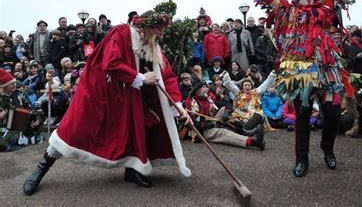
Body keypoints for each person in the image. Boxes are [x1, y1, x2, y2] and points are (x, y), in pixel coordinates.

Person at [239, 0, 362, 177]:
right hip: (299, 69)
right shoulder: (286, 11)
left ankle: (328, 149)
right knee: (302, 114)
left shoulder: (324, 7)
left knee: (333, 112)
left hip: (327, 66)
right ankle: (302, 158)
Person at [23, 10, 192, 195]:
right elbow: (110, 63)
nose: (161, 33)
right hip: (102, 91)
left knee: (143, 125)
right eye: (158, 28)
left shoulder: (153, 46)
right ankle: (42, 167)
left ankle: (133, 169)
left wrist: (178, 106)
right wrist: (141, 78)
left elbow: (167, 76)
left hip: (131, 97)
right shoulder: (121, 32)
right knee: (75, 127)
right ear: (145, 26)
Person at [185, 80, 265, 150]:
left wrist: (226, 113)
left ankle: (244, 131)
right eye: (203, 87)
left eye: (206, 87)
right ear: (197, 90)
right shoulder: (191, 101)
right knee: (222, 132)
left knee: (224, 110)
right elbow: (191, 123)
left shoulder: (207, 98)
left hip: (211, 121)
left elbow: (226, 104)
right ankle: (254, 142)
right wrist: (206, 125)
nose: (206, 89)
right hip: (200, 131)